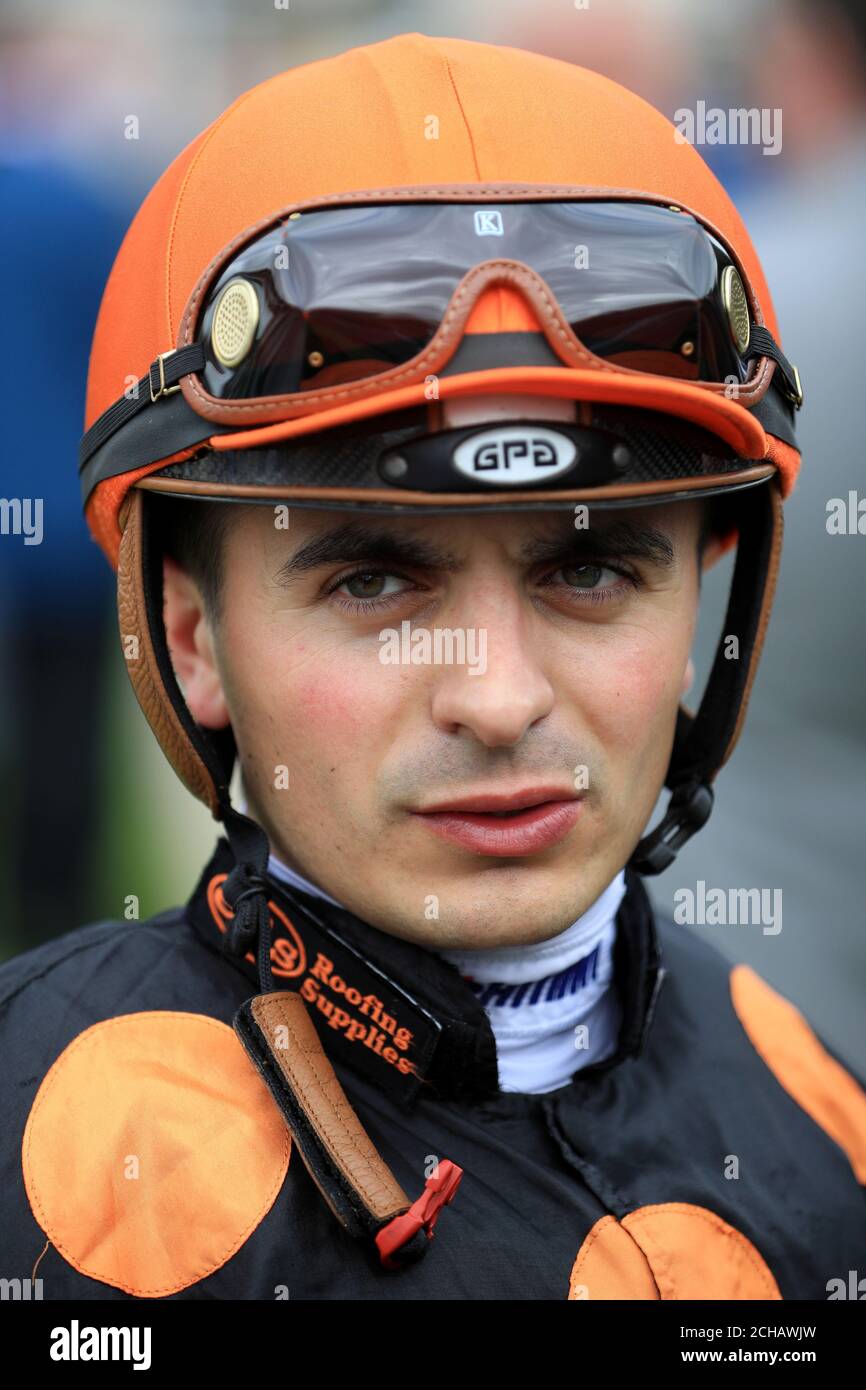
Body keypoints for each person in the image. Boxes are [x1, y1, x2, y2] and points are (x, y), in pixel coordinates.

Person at [1, 31, 864, 1303]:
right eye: (372, 582)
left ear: (701, 607)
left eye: (589, 572)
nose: (498, 697)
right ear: (192, 636)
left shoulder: (826, 1116)